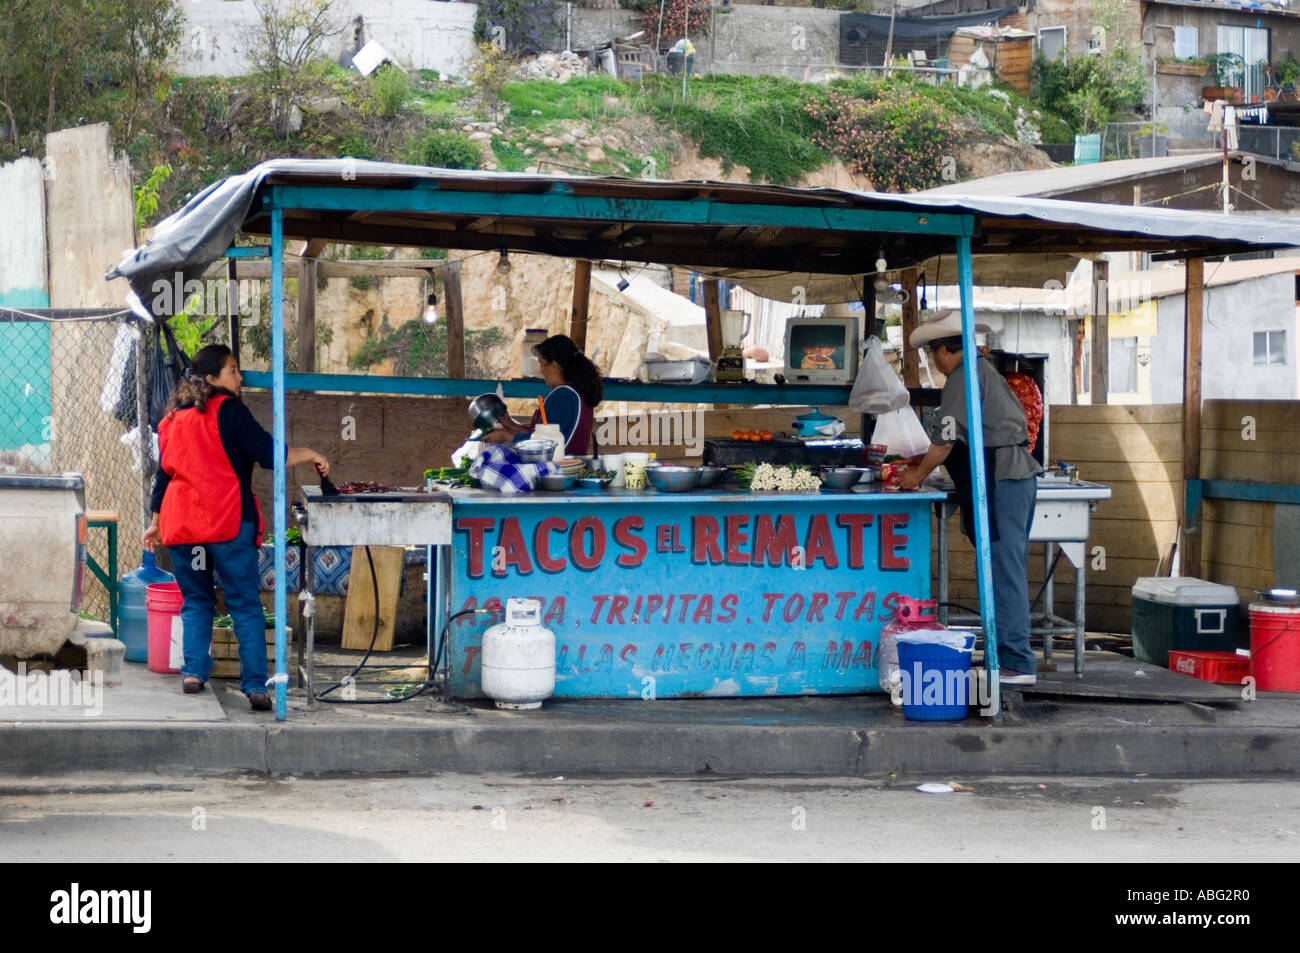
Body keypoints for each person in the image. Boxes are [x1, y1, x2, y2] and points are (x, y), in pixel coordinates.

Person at [141, 344, 330, 711]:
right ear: (213, 379)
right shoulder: (230, 411)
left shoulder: (174, 420)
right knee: (244, 604)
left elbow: (163, 477)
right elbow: (268, 453)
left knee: (196, 600)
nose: (240, 378)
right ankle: (256, 685)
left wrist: (155, 522)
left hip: (184, 529)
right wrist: (309, 454)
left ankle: (193, 673)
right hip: (226, 525)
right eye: (233, 371)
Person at [896, 311, 1042, 686]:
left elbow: (944, 439)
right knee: (1002, 569)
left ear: (946, 350)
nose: (934, 362)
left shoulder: (963, 376)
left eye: (933, 354)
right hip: (1009, 476)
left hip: (1001, 479)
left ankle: (1017, 663)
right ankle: (1005, 656)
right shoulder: (980, 371)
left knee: (1002, 572)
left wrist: (917, 475)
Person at [481, 334, 603, 455]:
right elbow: (540, 434)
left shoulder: (564, 395)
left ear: (555, 366)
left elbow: (545, 444)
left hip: (559, 467)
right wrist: (511, 425)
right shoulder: (576, 391)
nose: (541, 370)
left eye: (542, 364)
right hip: (570, 464)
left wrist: (506, 436)